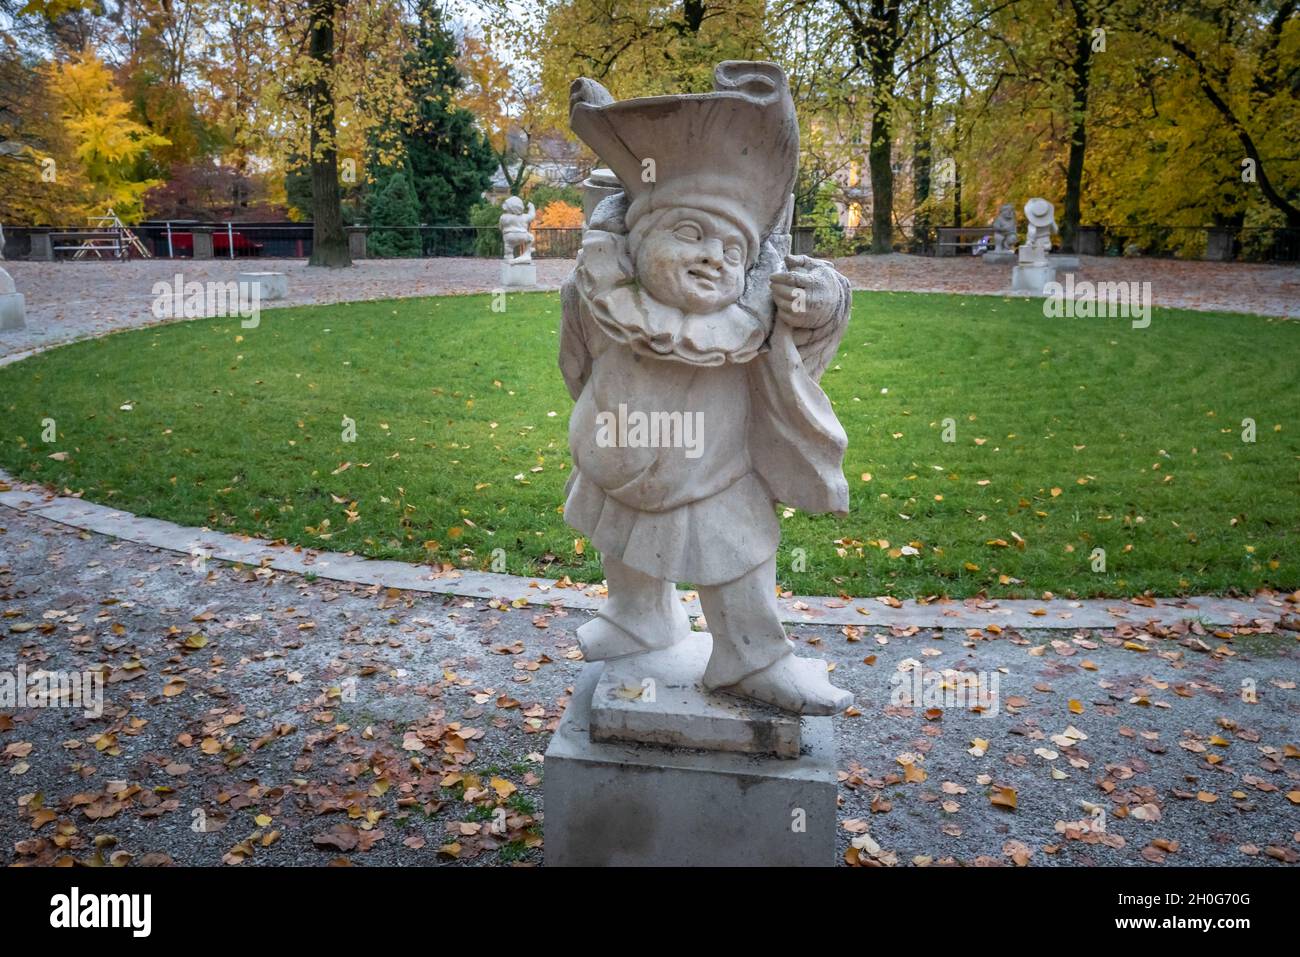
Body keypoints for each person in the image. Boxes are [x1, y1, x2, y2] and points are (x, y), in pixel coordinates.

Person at [557, 62, 854, 715]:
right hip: (618, 449)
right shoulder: (603, 292)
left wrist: (822, 302)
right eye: (690, 233)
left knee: (738, 548)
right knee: (622, 539)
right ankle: (641, 616)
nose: (713, 256)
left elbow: (802, 344)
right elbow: (574, 356)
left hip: (716, 467)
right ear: (637, 241)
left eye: (730, 248)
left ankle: (750, 656)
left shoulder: (749, 315)